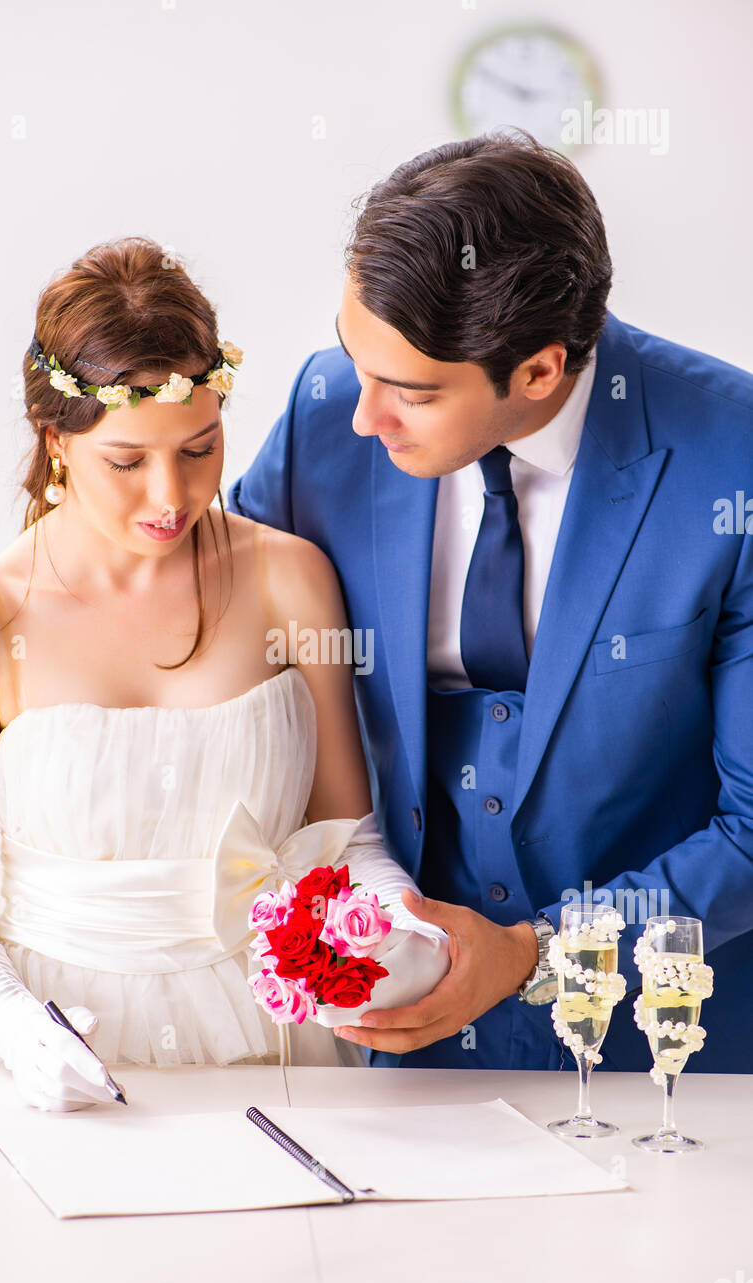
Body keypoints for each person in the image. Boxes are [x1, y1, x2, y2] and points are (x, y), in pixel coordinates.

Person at [226, 130, 753, 1074]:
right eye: (355, 362)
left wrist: (533, 953)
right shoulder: (320, 416)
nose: (362, 417)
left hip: (670, 1057)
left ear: (541, 371)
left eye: (411, 393)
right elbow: (191, 616)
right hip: (394, 1046)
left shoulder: (734, 458)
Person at [0, 235, 449, 1110]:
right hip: (55, 1036)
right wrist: (17, 1031)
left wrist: (403, 930)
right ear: (57, 440)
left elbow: (348, 843)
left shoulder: (288, 578)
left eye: (199, 448)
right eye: (128, 461)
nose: (170, 496)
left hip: (271, 1038)